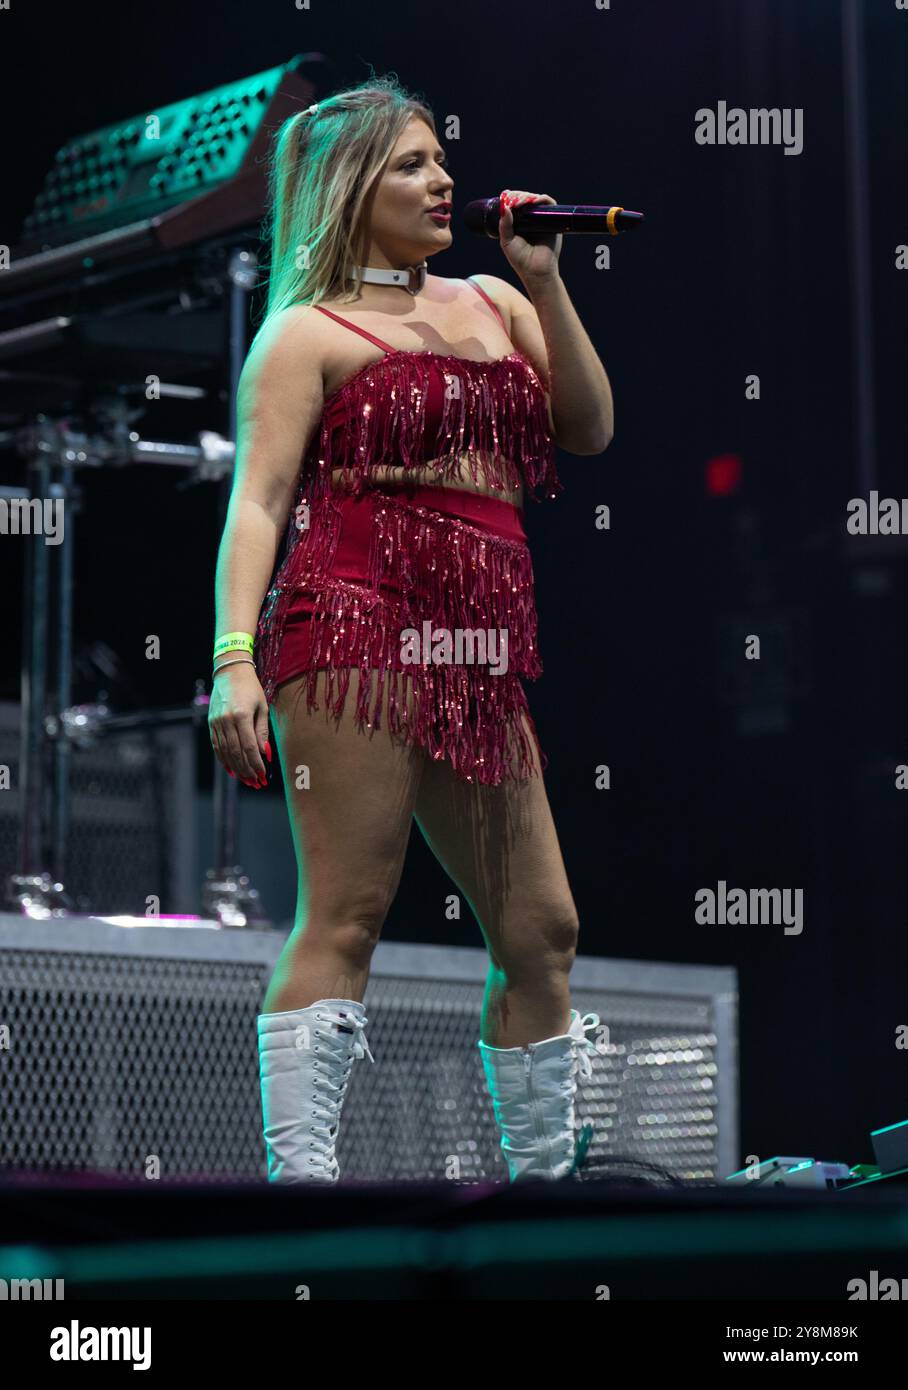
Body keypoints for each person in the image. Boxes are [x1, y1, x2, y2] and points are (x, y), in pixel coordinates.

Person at [208, 75, 614, 1185]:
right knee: (344, 914)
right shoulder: (304, 331)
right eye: (410, 165)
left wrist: (547, 282)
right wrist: (232, 658)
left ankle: (542, 1196)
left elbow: (586, 425)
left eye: (440, 159)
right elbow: (256, 501)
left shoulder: (494, 298)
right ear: (349, 187)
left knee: (541, 930)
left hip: (478, 648)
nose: (442, 181)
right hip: (348, 623)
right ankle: (302, 1197)